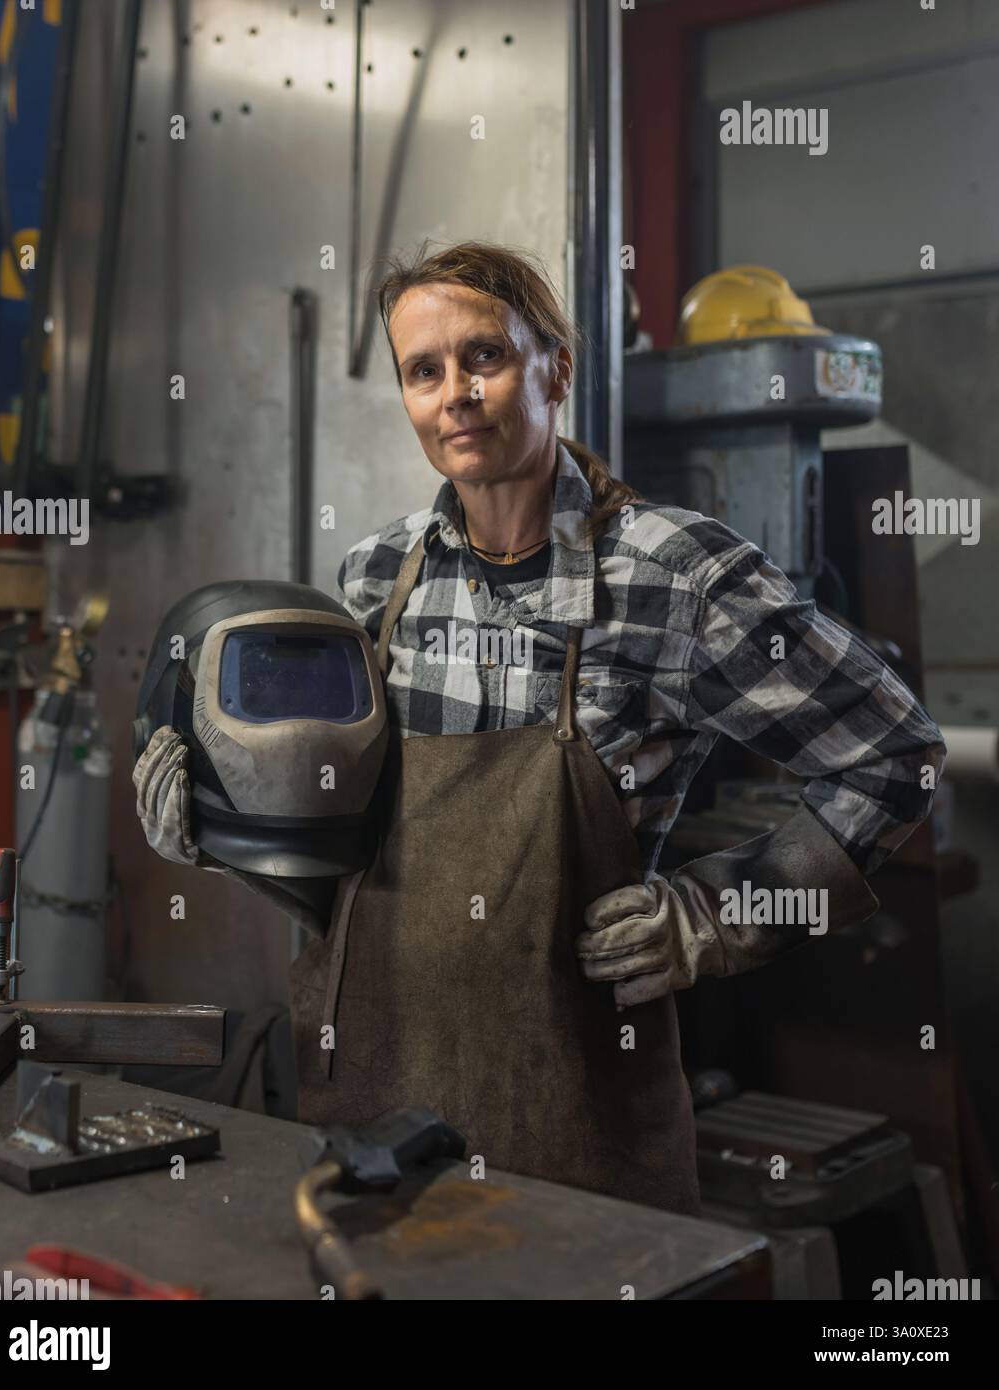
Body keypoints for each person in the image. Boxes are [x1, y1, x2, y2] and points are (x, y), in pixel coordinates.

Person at [135, 240, 946, 1215]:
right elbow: (355, 875)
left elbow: (893, 756)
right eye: (421, 371)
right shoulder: (374, 582)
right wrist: (222, 834)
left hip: (577, 1126)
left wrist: (711, 918)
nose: (455, 395)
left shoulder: (672, 575)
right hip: (377, 1112)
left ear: (555, 367)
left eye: (483, 356)